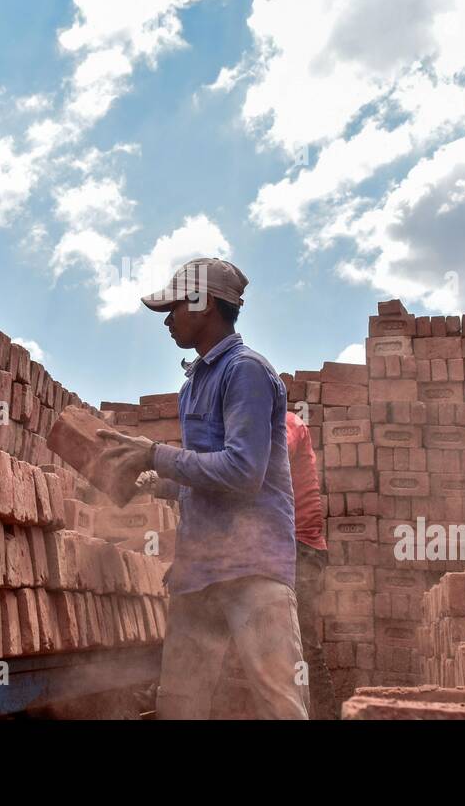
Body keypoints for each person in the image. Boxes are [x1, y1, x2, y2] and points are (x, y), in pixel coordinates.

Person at [96, 258, 308, 719]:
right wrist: (163, 485)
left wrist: (155, 453)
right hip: (201, 572)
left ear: (205, 302)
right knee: (178, 703)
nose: (168, 320)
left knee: (279, 703)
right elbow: (208, 481)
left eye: (173, 308)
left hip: (253, 569)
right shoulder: (194, 384)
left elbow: (242, 473)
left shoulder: (245, 371)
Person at [286, 409, 337, 720]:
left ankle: (325, 716)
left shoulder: (286, 422)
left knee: (305, 643)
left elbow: (273, 455)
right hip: (291, 546)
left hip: (300, 547)